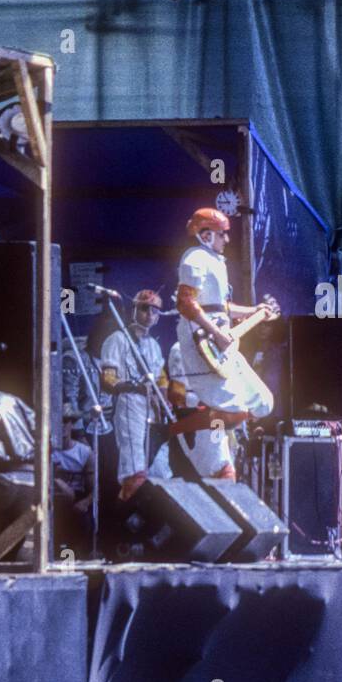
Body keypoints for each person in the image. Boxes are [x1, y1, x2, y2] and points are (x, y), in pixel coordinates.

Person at [175, 208, 277, 480]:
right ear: (206, 235)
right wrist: (217, 333)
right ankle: (187, 427)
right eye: (223, 234)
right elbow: (185, 303)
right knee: (232, 410)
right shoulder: (195, 258)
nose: (227, 240)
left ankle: (210, 426)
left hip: (223, 342)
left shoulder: (216, 261)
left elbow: (221, 306)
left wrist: (255, 311)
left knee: (264, 403)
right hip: (204, 341)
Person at [100, 290, 168, 501]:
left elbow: (162, 379)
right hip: (129, 403)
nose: (149, 314)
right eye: (144, 309)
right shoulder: (117, 339)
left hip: (153, 408)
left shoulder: (154, 346)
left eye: (154, 311)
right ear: (135, 310)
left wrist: (164, 401)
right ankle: (128, 514)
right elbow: (107, 379)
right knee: (134, 467)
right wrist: (133, 387)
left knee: (160, 469)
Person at [51, 405, 94, 555]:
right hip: (53, 501)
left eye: (65, 421)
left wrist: (85, 502)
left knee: (83, 523)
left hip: (75, 502)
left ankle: (73, 561)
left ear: (71, 424)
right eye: (57, 421)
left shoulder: (84, 452)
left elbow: (94, 489)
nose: (61, 425)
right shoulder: (46, 450)